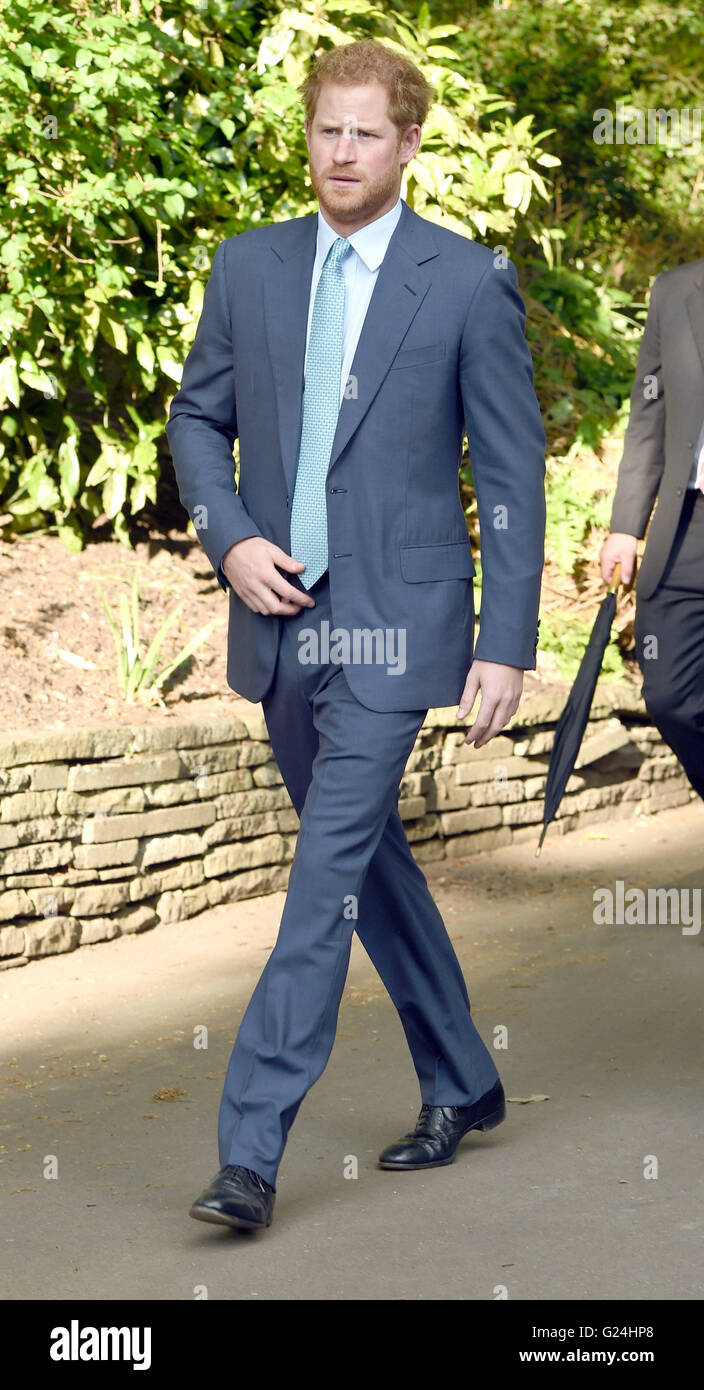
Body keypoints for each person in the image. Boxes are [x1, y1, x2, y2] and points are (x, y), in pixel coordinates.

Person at [165, 38, 546, 1233]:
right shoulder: (249, 266)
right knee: (367, 864)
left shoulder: (465, 279)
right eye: (326, 129)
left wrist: (504, 638)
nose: (341, 152)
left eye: (365, 133)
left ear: (408, 143)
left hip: (396, 623)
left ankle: (248, 1151)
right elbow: (194, 419)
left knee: (322, 873)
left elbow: (513, 470)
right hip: (283, 620)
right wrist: (226, 534)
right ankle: (462, 1079)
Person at [600, 259, 704, 799]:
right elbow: (649, 414)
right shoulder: (674, 289)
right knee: (670, 697)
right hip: (687, 522)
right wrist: (625, 526)